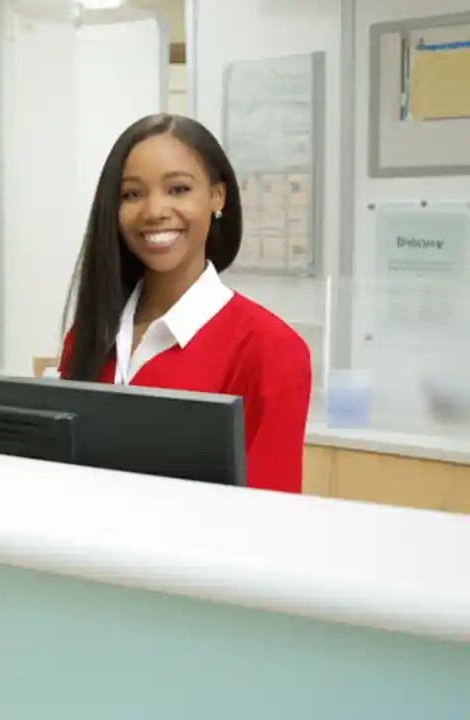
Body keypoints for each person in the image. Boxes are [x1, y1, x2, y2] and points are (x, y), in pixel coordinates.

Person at [58, 113, 311, 493]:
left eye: (178, 189)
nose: (154, 210)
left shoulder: (270, 350)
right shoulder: (91, 335)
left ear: (217, 196)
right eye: (132, 194)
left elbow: (270, 518)